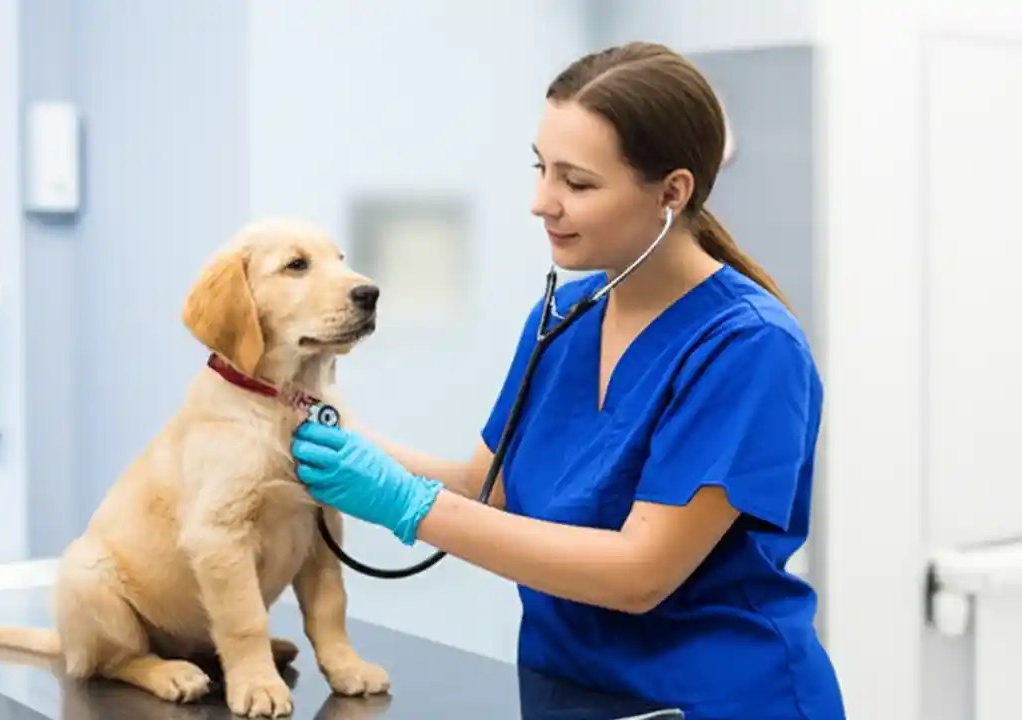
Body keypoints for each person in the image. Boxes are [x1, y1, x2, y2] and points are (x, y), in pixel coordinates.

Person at [290, 42, 846, 720]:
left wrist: (408, 506)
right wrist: (333, 435)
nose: (540, 203)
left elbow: (641, 574)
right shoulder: (561, 321)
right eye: (541, 168)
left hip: (718, 702)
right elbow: (483, 488)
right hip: (572, 696)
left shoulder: (749, 348)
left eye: (576, 183)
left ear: (672, 192)